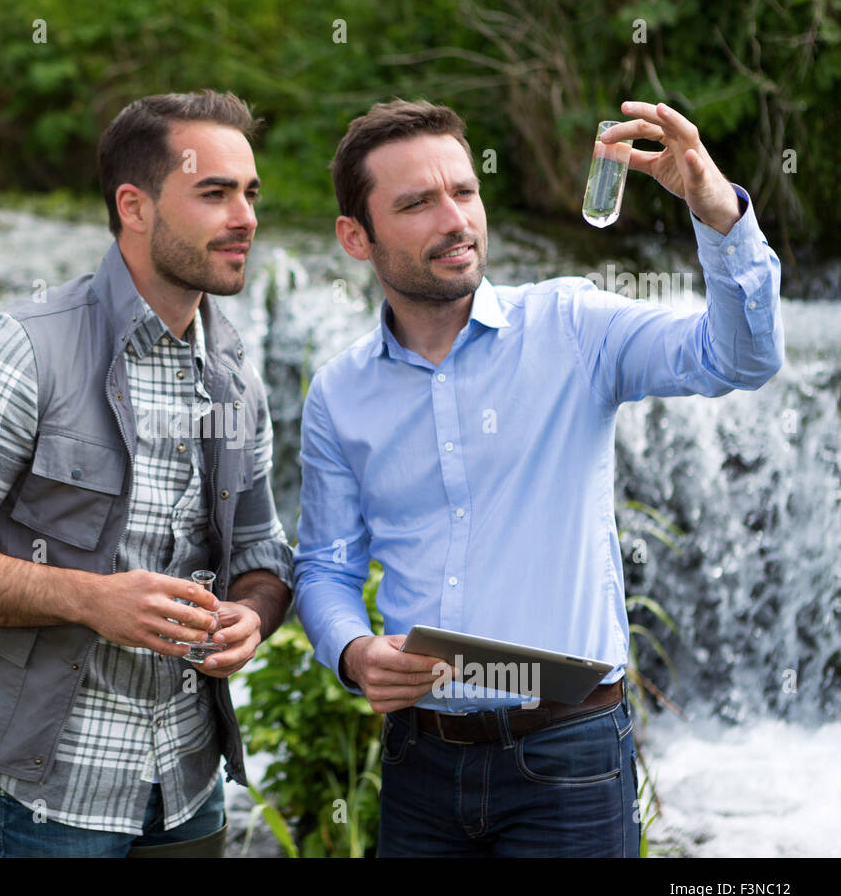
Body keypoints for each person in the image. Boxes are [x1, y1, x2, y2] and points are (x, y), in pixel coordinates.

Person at [294, 98, 783, 857]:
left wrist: (716, 209)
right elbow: (325, 566)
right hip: (419, 763)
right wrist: (353, 652)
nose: (455, 219)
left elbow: (740, 359)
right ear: (356, 237)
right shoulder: (338, 394)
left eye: (464, 191)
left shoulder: (574, 328)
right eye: (418, 203)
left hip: (570, 759)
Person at [0, 90, 294, 858]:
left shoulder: (237, 376)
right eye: (215, 193)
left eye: (250, 193)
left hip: (194, 790)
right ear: (134, 206)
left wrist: (254, 616)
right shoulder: (19, 349)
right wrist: (90, 599)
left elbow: (264, 553)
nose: (246, 218)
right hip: (54, 796)